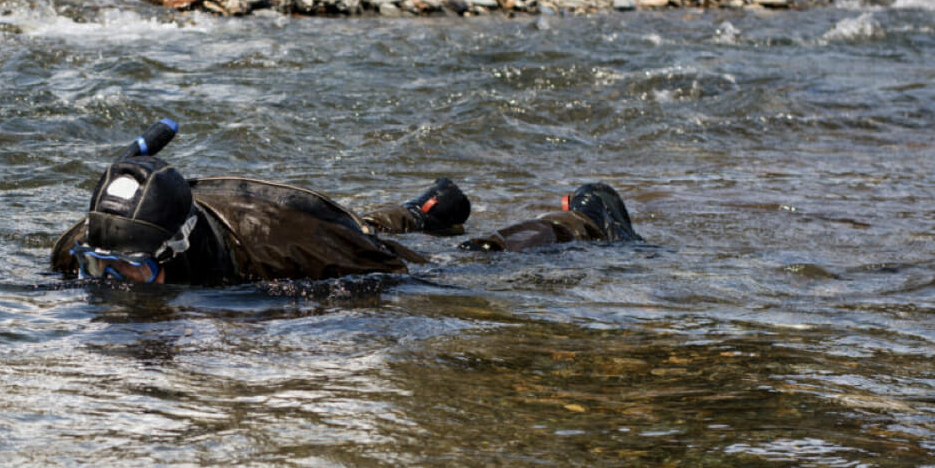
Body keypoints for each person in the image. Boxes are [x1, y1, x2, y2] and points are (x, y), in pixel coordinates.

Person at [50, 152, 641, 287]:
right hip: (235, 214)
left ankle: (584, 221)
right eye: (98, 267)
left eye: (130, 271)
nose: (109, 284)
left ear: (178, 249)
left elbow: (393, 280)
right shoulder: (87, 239)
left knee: (450, 270)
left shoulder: (280, 246)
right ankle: (428, 209)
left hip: (288, 222)